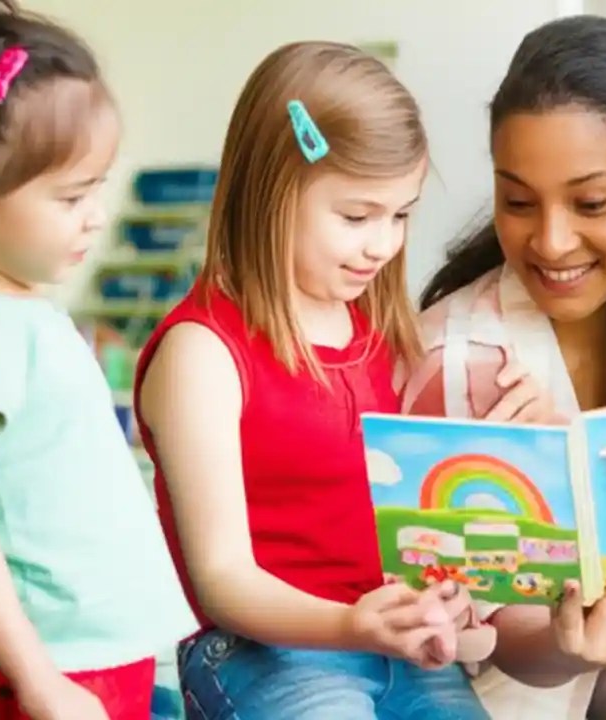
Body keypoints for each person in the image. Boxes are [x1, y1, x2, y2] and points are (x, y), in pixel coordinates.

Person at [134, 42, 488, 719]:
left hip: (387, 649)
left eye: (401, 213)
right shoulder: (201, 353)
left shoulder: (378, 329)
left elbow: (394, 524)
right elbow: (222, 580)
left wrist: (434, 596)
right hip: (256, 649)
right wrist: (353, 624)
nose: (383, 244)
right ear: (271, 193)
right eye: (357, 216)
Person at [407, 16, 606, 720]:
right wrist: (571, 644)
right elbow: (491, 634)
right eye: (517, 200)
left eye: (591, 202)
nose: (550, 240)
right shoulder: (455, 359)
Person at [0, 1, 194, 718]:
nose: (97, 216)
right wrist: (37, 677)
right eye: (73, 196)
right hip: (38, 672)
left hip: (90, 657)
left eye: (99, 188)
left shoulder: (15, 312)